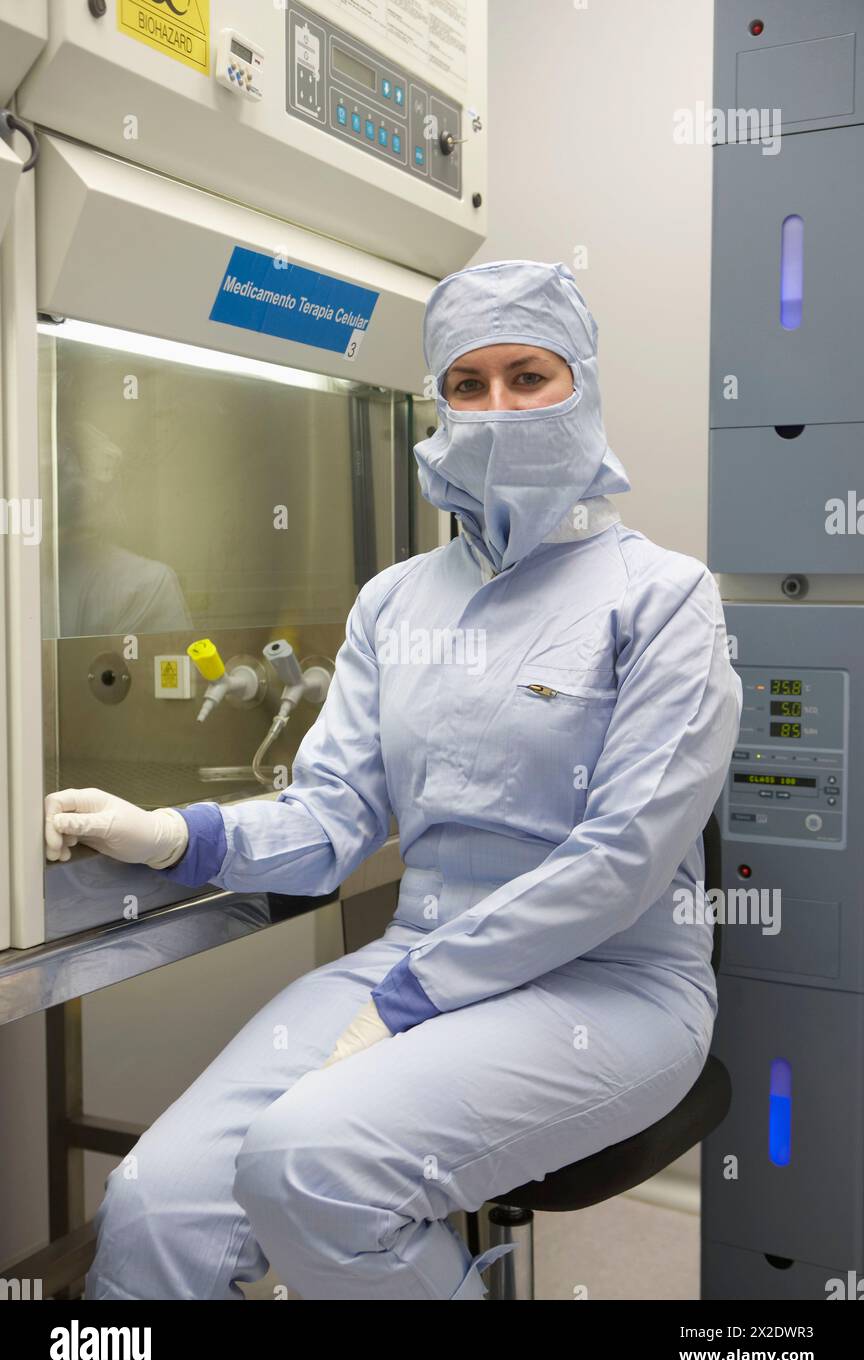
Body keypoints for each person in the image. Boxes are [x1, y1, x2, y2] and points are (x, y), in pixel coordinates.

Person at [44, 260, 743, 1301]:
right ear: (437, 406)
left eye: (528, 376)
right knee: (155, 1202)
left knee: (308, 1164)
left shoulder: (664, 599)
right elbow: (331, 818)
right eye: (467, 385)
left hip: (610, 986)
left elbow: (621, 862)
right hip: (412, 963)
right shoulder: (394, 603)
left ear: (583, 386)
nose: (496, 408)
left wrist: (414, 996)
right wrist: (177, 836)